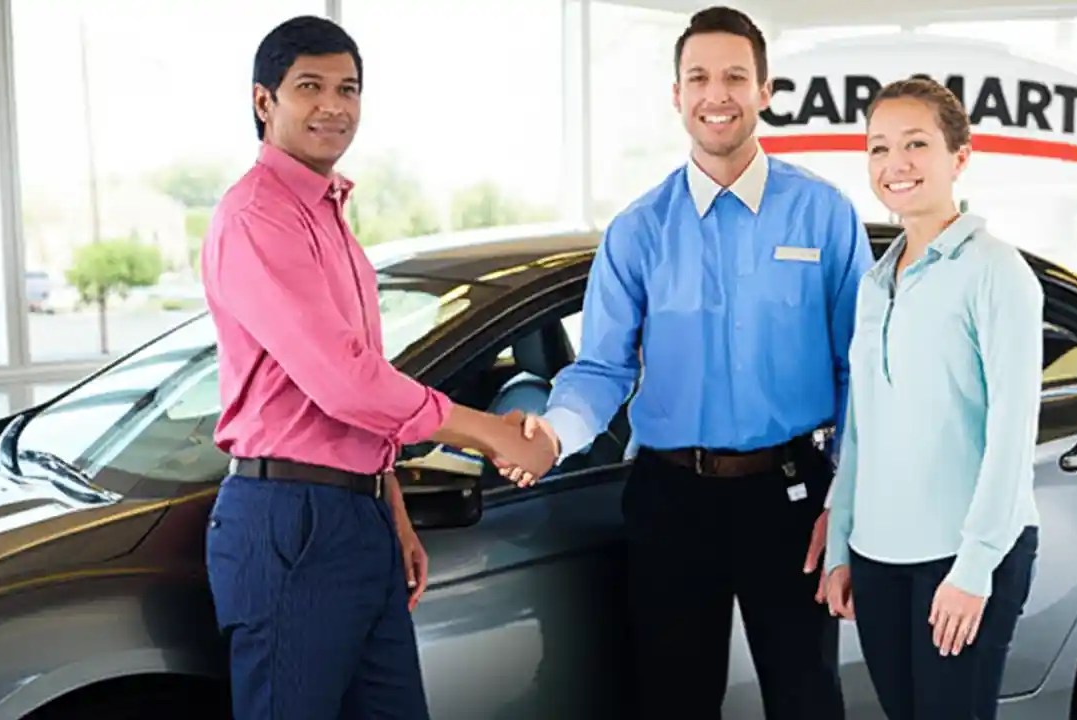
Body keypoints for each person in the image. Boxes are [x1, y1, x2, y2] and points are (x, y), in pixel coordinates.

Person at [503, 7, 873, 718]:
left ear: (764, 90)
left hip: (792, 496)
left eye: (735, 76)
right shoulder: (638, 230)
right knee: (674, 702)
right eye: (698, 78)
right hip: (671, 499)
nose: (716, 94)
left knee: (806, 699)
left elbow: (858, 370)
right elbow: (603, 369)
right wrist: (552, 434)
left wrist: (846, 499)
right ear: (677, 95)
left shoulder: (824, 214)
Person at [200, 16, 555, 720]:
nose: (334, 106)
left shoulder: (326, 215)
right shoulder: (258, 217)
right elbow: (344, 382)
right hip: (291, 521)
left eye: (348, 89)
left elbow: (354, 388)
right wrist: (492, 433)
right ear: (264, 101)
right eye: (310, 87)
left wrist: (388, 504)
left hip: (353, 515)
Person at [823, 76, 1042, 720]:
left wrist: (975, 568)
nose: (896, 163)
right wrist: (841, 544)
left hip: (963, 554)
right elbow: (860, 429)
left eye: (916, 143)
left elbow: (1011, 435)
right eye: (879, 147)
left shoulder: (996, 271)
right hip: (877, 556)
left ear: (960, 157)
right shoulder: (874, 283)